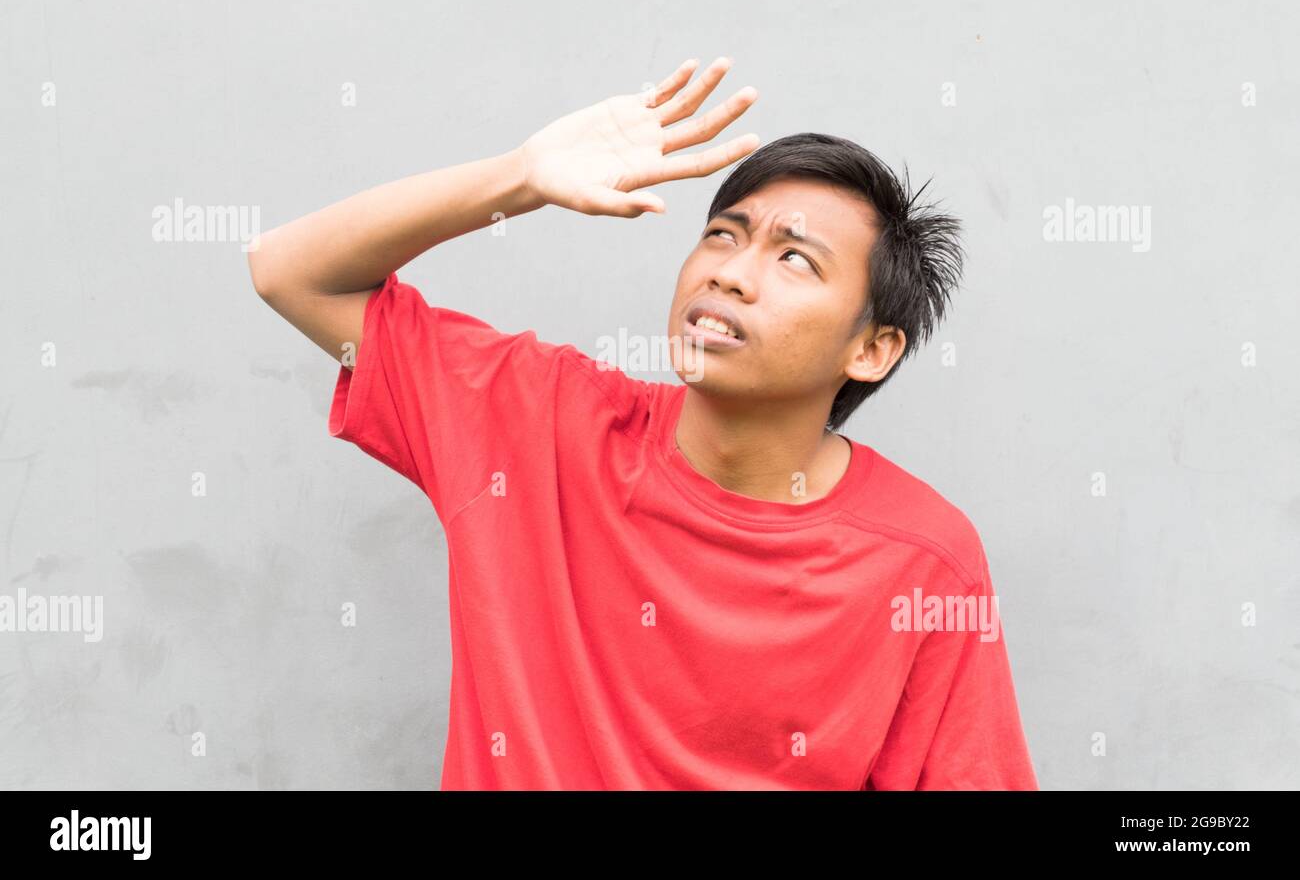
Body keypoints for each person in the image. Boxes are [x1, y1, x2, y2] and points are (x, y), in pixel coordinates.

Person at [247, 56, 1039, 790]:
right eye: (722, 235)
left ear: (871, 348)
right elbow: (291, 273)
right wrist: (520, 177)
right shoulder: (537, 423)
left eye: (794, 260)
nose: (729, 272)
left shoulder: (927, 561)